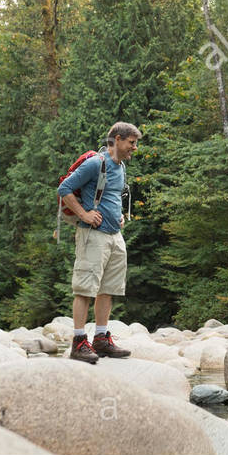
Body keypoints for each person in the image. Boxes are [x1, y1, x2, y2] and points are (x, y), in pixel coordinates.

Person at [58, 122, 140, 363]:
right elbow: (65, 188)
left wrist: (120, 216)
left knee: (109, 288)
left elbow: (112, 195)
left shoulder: (121, 166)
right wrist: (84, 215)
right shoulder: (96, 163)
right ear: (116, 139)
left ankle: (101, 339)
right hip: (92, 235)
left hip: (115, 235)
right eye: (131, 143)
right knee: (84, 289)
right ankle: (78, 342)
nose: (134, 148)